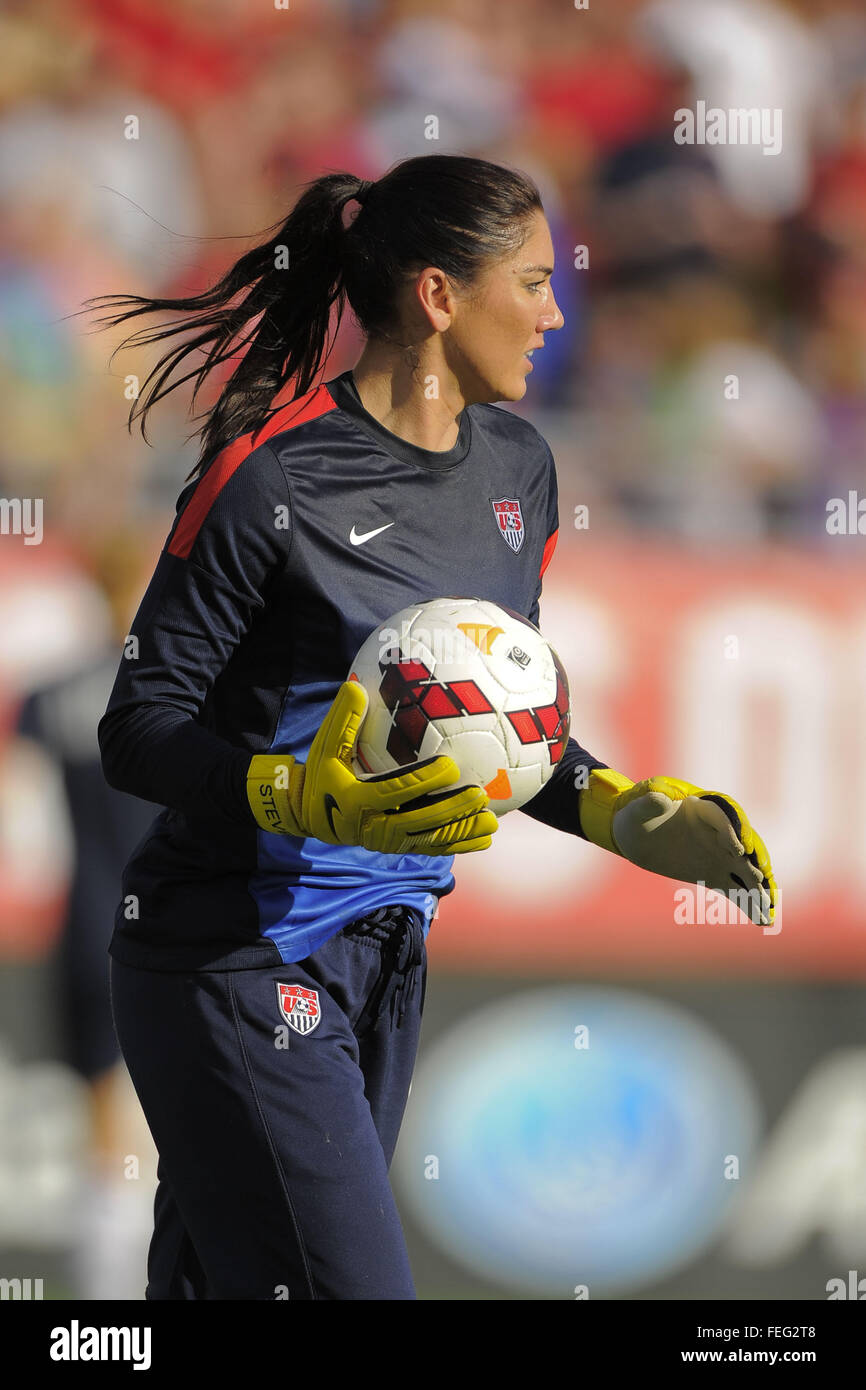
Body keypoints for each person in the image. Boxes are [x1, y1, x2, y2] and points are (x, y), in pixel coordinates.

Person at [90, 153, 777, 1300]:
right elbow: (138, 723)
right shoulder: (269, 477)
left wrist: (621, 809)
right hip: (232, 953)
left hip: (386, 954)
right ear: (437, 294)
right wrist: (292, 793)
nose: (559, 312)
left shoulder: (521, 468)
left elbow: (501, 732)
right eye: (531, 281)